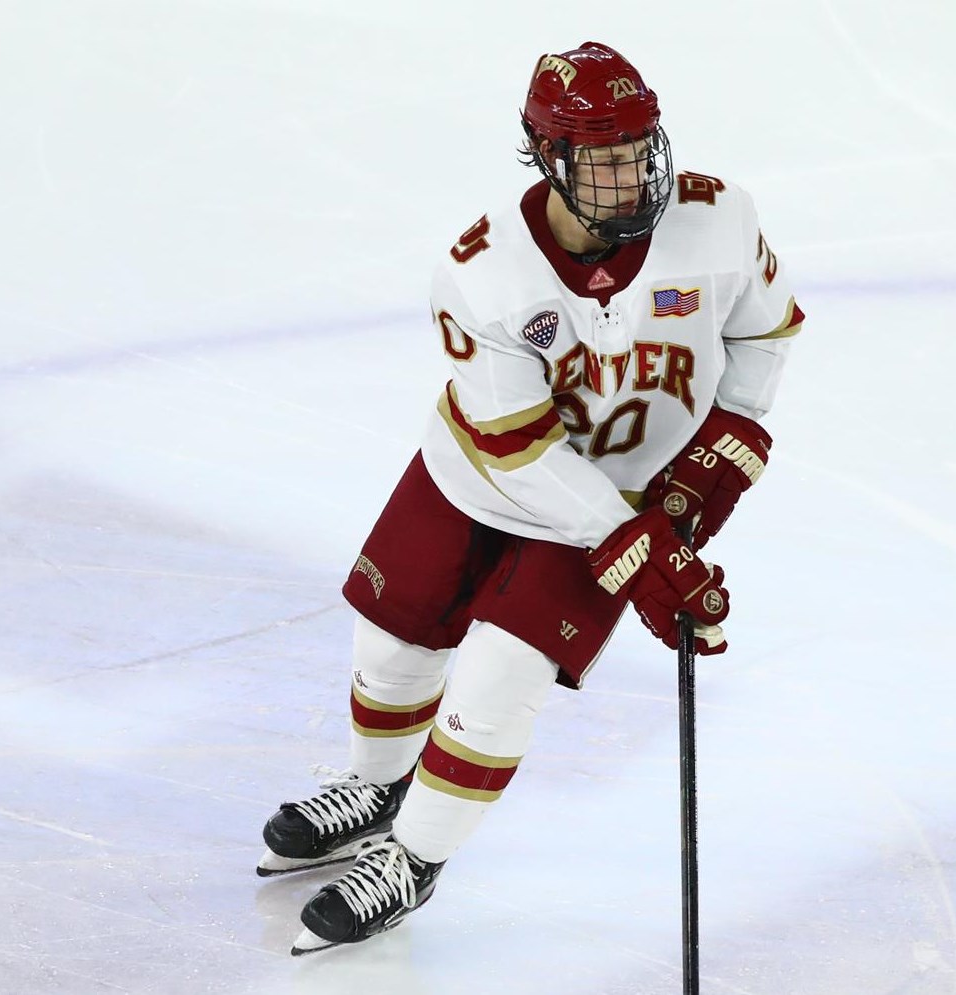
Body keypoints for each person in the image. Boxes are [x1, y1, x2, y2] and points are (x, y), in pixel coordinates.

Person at [257, 40, 804, 955]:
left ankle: (413, 857)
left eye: (639, 150)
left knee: (496, 687)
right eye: (603, 159)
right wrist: (635, 547)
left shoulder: (718, 220)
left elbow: (767, 332)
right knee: (392, 646)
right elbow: (519, 448)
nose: (632, 177)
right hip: (479, 475)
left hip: (621, 496)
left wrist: (724, 445)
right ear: (548, 155)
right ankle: (376, 787)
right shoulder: (486, 272)